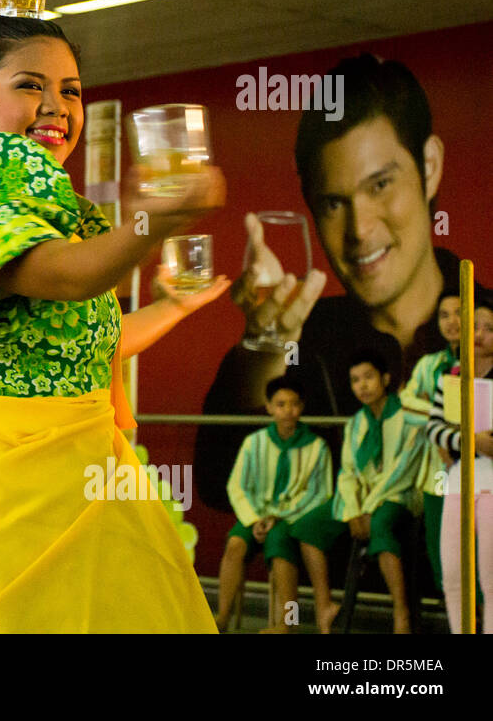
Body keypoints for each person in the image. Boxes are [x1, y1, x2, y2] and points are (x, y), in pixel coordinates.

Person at [0, 14, 225, 632]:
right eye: (29, 87)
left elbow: (90, 345)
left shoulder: (75, 215)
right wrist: (148, 225)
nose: (56, 107)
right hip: (3, 491)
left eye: (70, 89)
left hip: (98, 483)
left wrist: (172, 304)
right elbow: (63, 276)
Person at [199, 54, 491, 509]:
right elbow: (223, 486)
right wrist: (265, 350)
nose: (359, 230)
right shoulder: (303, 343)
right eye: (334, 203)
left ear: (429, 167)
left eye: (380, 186)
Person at [292, 348, 425, 633]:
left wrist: (367, 508)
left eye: (368, 377)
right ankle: (325, 606)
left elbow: (402, 471)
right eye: (355, 380)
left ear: (385, 378)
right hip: (362, 500)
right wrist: (352, 510)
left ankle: (401, 613)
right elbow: (348, 473)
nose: (362, 386)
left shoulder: (408, 416)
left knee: (381, 523)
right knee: (308, 527)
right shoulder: (356, 423)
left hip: (397, 495)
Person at [214, 375, 335, 633]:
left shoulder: (317, 447)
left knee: (280, 546)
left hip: (289, 520)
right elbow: (236, 486)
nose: (287, 411)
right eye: (280, 404)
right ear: (269, 407)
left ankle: (285, 623)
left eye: (293, 404)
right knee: (235, 544)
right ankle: (221, 616)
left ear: (301, 407)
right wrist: (254, 519)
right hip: (255, 516)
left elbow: (319, 494)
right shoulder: (254, 443)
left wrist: (280, 516)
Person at [423, 296, 493, 633]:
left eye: (489, 328)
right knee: (453, 575)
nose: (479, 333)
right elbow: (435, 428)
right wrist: (471, 440)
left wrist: (472, 439)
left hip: (492, 481)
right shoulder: (451, 376)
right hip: (458, 480)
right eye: (474, 325)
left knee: (491, 579)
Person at [399, 290, 462, 597]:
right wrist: (442, 417)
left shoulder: (482, 364)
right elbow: (404, 405)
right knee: (443, 560)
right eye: (444, 315)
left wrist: (436, 416)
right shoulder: (430, 365)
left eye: (459, 312)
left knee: (479, 556)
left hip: (477, 474)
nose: (452, 321)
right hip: (436, 474)